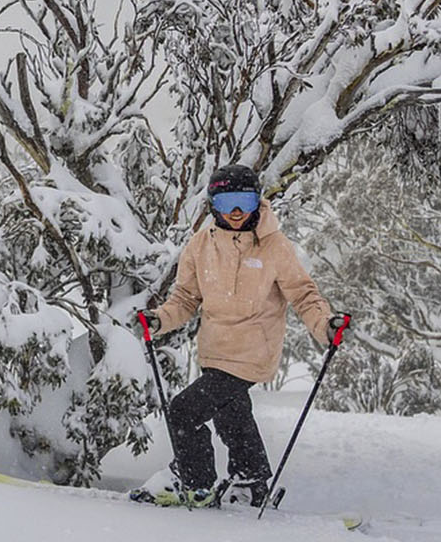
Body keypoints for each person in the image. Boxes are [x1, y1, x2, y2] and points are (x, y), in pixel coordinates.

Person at [135, 163, 340, 508]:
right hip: (214, 350)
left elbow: (304, 294)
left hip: (252, 352)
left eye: (244, 202)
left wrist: (326, 324)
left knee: (183, 411)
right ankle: (251, 482)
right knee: (232, 416)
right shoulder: (200, 245)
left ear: (257, 203)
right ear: (213, 203)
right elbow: (186, 298)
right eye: (227, 201)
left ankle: (192, 481)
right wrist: (159, 320)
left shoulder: (274, 246)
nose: (234, 212)